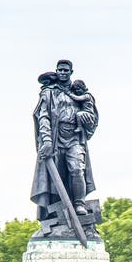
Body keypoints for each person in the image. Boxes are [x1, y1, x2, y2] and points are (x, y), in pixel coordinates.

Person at [30, 59, 99, 240]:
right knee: (56, 179)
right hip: (54, 139)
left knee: (77, 169)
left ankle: (79, 204)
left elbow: (92, 116)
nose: (62, 73)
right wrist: (45, 140)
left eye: (65, 70)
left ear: (71, 72)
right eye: (59, 70)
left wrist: (83, 116)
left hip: (74, 138)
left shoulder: (80, 92)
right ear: (56, 71)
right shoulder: (49, 93)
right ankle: (55, 216)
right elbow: (43, 117)